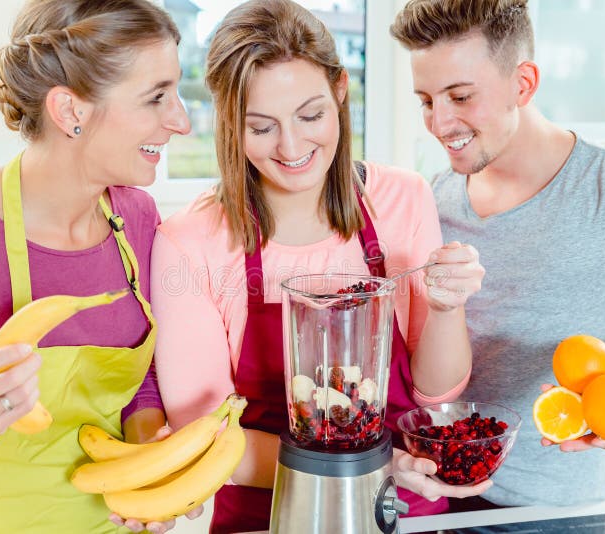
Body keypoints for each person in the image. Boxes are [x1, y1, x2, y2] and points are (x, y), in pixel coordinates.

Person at [149, 0, 490, 532]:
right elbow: (206, 439)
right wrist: (375, 469)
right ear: (229, 123)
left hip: (407, 513)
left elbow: (436, 393)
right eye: (261, 127)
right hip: (268, 520)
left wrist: (447, 308)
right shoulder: (189, 242)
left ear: (340, 91)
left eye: (310, 116)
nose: (292, 146)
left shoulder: (402, 199)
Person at [390, 0, 605, 512]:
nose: (440, 122)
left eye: (461, 96)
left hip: (561, 514)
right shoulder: (433, 201)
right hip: (440, 501)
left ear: (523, 83)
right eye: (426, 100)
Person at [0, 1, 194, 532]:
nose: (181, 121)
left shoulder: (136, 218)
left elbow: (141, 380)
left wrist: (148, 468)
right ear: (69, 111)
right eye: (156, 97)